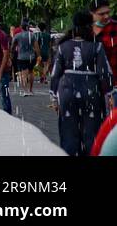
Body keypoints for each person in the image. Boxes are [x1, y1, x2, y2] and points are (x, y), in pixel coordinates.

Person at [50, 11, 114, 156]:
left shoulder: (63, 46)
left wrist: (54, 97)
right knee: (91, 133)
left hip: (66, 92)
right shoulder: (96, 46)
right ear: (89, 26)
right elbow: (105, 72)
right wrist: (109, 94)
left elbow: (55, 74)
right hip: (91, 92)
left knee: (68, 132)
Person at [13, 20, 38, 95]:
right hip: (31, 56)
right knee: (31, 72)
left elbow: (13, 46)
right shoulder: (32, 35)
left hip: (21, 57)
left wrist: (11, 53)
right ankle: (30, 90)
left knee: (23, 74)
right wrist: (39, 55)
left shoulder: (17, 35)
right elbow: (36, 47)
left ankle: (25, 91)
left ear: (21, 27)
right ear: (27, 27)